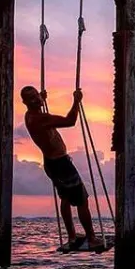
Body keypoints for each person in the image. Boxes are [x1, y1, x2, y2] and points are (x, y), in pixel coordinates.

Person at [20, 85, 103, 252]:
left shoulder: (30, 115)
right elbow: (70, 121)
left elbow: (37, 103)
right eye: (32, 98)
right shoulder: (39, 118)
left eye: (37, 95)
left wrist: (41, 98)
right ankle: (92, 238)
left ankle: (72, 236)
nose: (37, 99)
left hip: (52, 164)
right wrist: (76, 101)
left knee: (65, 198)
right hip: (61, 164)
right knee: (82, 199)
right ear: (25, 102)